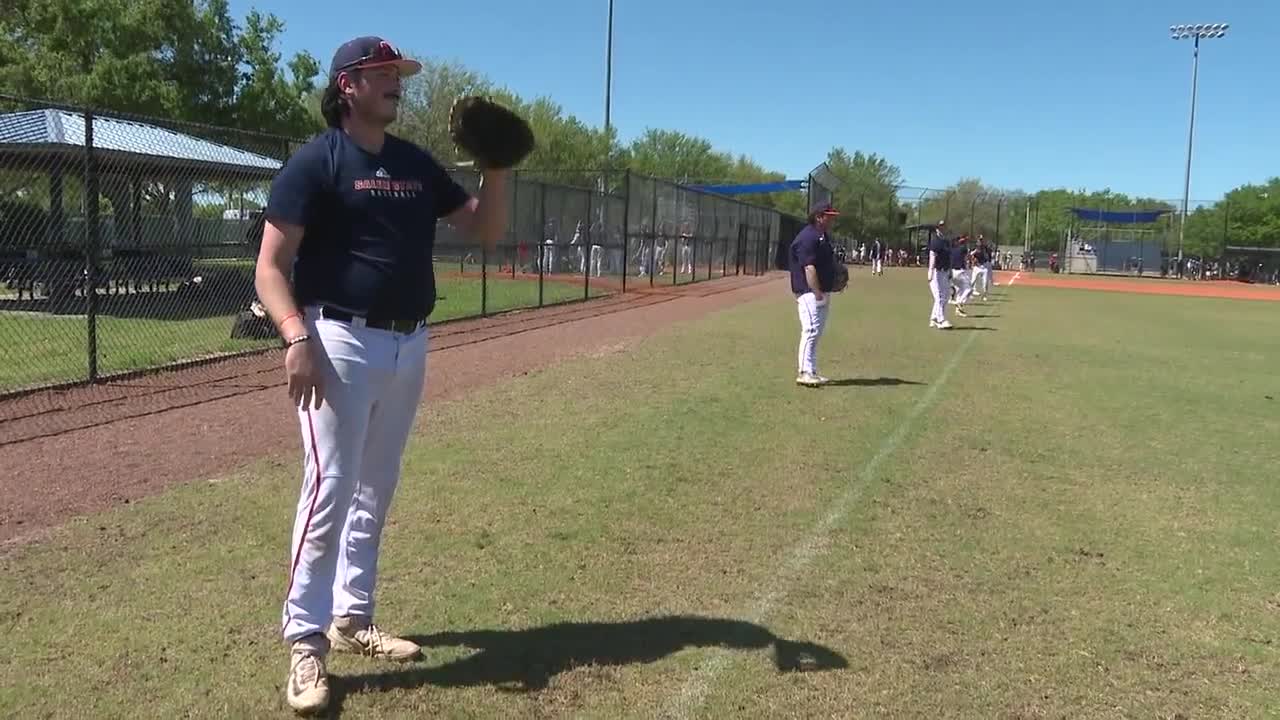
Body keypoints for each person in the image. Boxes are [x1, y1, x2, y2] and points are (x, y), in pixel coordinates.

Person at [253, 36, 510, 715]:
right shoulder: (316, 163)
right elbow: (270, 268)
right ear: (348, 86)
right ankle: (306, 640)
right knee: (330, 486)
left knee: (377, 485)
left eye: (400, 74)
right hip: (335, 338)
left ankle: (352, 616)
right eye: (385, 73)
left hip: (409, 343)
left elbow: (483, 231)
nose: (398, 82)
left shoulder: (413, 163)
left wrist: (497, 168)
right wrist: (295, 336)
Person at [789, 201, 840, 386]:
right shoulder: (808, 237)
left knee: (816, 332)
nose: (832, 220)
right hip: (809, 291)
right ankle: (803, 372)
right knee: (810, 330)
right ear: (819, 217)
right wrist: (817, 293)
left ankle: (811, 371)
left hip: (821, 290)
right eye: (829, 216)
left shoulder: (822, 235)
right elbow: (809, 268)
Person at [927, 224, 953, 329]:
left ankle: (933, 319)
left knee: (946, 296)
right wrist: (930, 271)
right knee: (939, 297)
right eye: (940, 227)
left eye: (944, 227)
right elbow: (932, 257)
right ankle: (940, 320)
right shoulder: (935, 241)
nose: (943, 229)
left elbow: (949, 257)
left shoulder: (946, 242)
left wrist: (950, 270)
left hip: (945, 272)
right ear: (937, 229)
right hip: (936, 272)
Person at [950, 236, 973, 317]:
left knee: (960, 290)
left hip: (952, 272)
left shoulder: (952, 249)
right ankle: (960, 303)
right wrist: (965, 240)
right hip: (960, 271)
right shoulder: (962, 248)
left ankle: (958, 310)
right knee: (969, 289)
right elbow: (968, 255)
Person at [970, 234, 993, 299]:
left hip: (984, 267)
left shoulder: (985, 248)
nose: (980, 242)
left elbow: (987, 256)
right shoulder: (975, 247)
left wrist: (984, 253)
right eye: (979, 240)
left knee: (985, 282)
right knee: (973, 281)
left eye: (981, 240)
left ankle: (985, 295)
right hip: (977, 267)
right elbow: (970, 255)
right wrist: (973, 256)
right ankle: (970, 293)